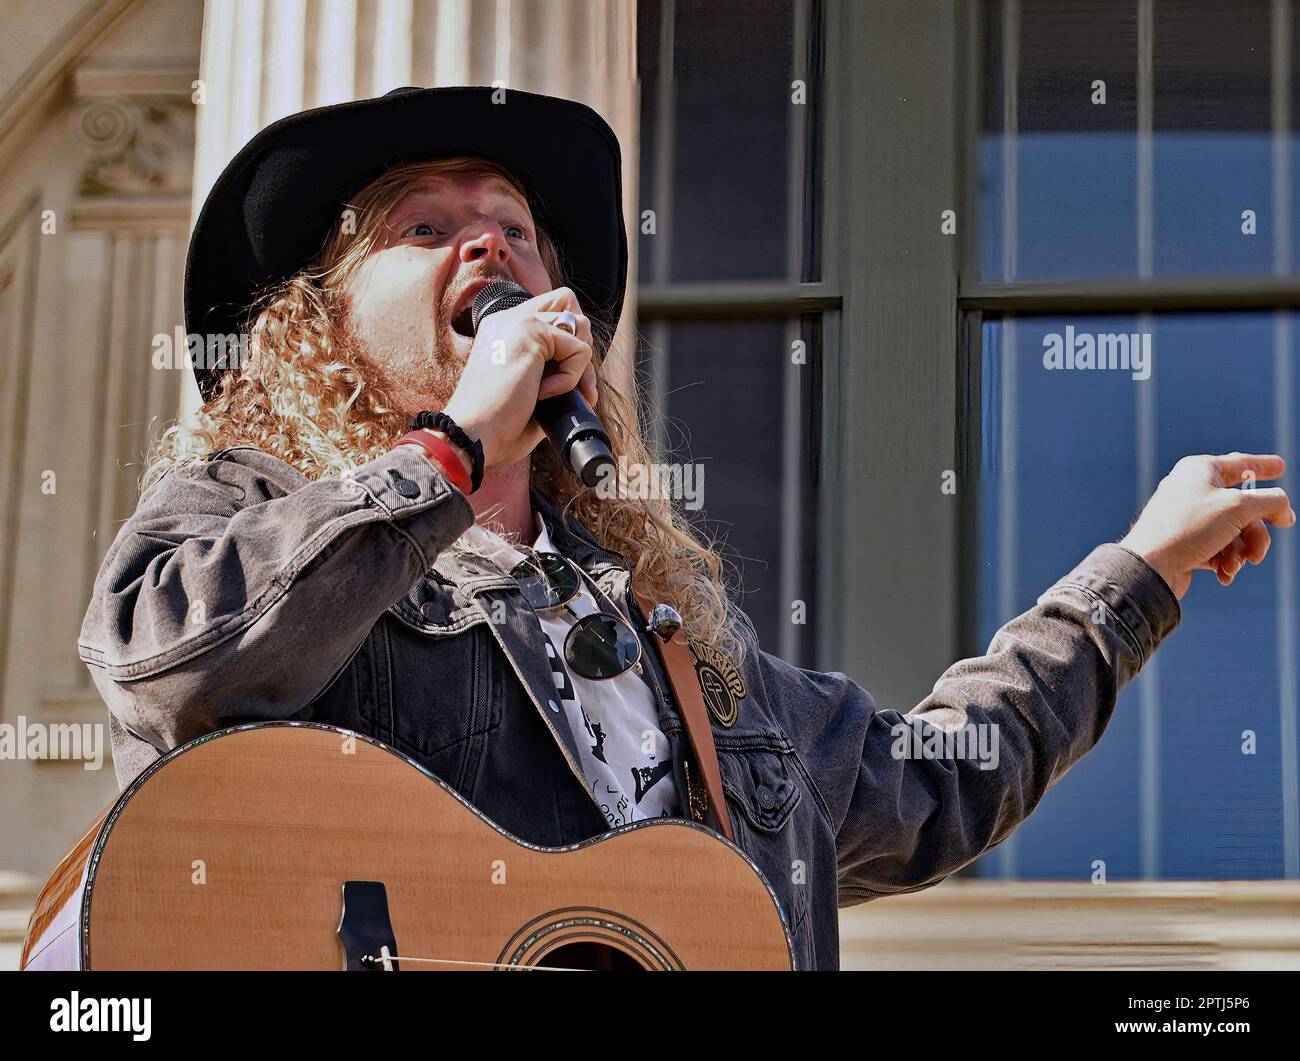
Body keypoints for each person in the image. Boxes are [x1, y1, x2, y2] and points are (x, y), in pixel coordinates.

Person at [78, 86, 1295, 971]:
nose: (488, 241)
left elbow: (933, 784)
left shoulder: (684, 655)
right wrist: (447, 450)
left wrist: (1140, 572)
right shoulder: (246, 498)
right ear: (322, 321)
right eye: (425, 228)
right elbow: (169, 664)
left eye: (512, 225)